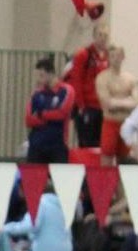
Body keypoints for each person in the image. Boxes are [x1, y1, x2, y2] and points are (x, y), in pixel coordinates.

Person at [66, 21, 110, 149]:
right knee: (87, 143)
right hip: (87, 107)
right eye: (100, 35)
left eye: (105, 36)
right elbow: (76, 80)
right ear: (94, 36)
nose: (103, 38)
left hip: (103, 107)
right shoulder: (84, 55)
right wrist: (80, 105)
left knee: (102, 144)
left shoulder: (108, 57)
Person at [25, 56, 74, 164]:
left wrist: (41, 114)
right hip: (37, 144)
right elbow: (29, 119)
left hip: (57, 144)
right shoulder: (37, 93)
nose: (39, 80)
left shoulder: (66, 90)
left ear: (51, 73)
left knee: (60, 179)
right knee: (33, 178)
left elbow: (62, 113)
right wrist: (49, 116)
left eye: (41, 75)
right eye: (37, 76)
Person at [97, 44, 135, 166]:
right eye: (112, 56)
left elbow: (136, 103)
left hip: (126, 124)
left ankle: (121, 186)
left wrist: (115, 101)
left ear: (123, 57)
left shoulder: (130, 79)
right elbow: (107, 103)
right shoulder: (102, 78)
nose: (115, 59)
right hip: (110, 123)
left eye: (118, 55)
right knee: (106, 162)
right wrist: (127, 100)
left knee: (126, 163)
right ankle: (105, 185)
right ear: (108, 58)